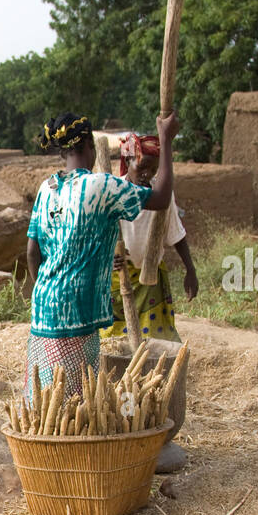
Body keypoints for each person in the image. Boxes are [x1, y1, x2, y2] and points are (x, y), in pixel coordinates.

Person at [24, 112, 179, 400]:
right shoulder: (101, 186)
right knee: (73, 397)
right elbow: (160, 198)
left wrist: (46, 293)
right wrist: (166, 141)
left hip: (44, 306)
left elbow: (32, 252)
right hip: (76, 310)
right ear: (88, 147)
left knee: (46, 395)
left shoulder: (48, 188)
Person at [102, 133, 198, 343]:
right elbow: (96, 235)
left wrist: (190, 269)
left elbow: (176, 232)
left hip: (150, 278)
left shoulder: (161, 195)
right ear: (128, 161)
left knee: (155, 341)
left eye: (153, 170)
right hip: (116, 280)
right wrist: (107, 257)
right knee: (113, 342)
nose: (147, 174)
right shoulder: (112, 191)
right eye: (142, 166)